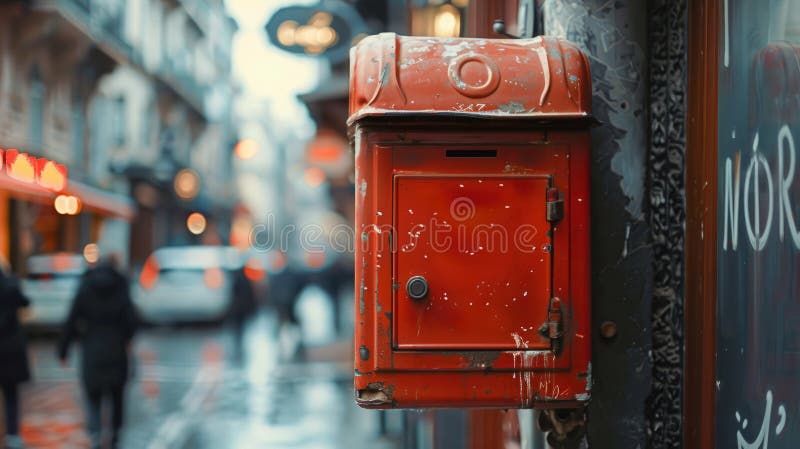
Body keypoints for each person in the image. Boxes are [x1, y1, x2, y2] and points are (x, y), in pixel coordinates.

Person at [57, 257, 138, 449]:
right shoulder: (121, 287)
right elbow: (131, 321)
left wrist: (64, 349)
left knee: (93, 395)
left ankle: (95, 433)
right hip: (116, 350)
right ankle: (115, 434)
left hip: (92, 349)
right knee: (117, 395)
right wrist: (126, 336)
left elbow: (72, 319)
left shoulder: (85, 287)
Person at [0, 267, 30, 449]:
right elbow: (25, 302)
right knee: (11, 394)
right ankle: (12, 434)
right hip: (10, 347)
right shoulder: (12, 286)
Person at [228, 266, 257, 363]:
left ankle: (238, 344)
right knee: (240, 329)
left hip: (239, 309)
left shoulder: (237, 279)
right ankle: (239, 344)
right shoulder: (245, 280)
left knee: (238, 329)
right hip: (242, 309)